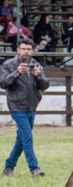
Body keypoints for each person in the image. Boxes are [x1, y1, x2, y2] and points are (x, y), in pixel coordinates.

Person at [1, 39, 49, 177]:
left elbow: (45, 86)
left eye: (28, 49)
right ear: (18, 50)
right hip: (16, 106)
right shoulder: (9, 65)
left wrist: (38, 76)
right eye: (23, 49)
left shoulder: (36, 65)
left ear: (31, 51)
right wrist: (17, 73)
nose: (25, 51)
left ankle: (9, 167)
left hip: (31, 106)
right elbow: (3, 83)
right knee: (27, 137)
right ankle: (34, 169)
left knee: (21, 140)